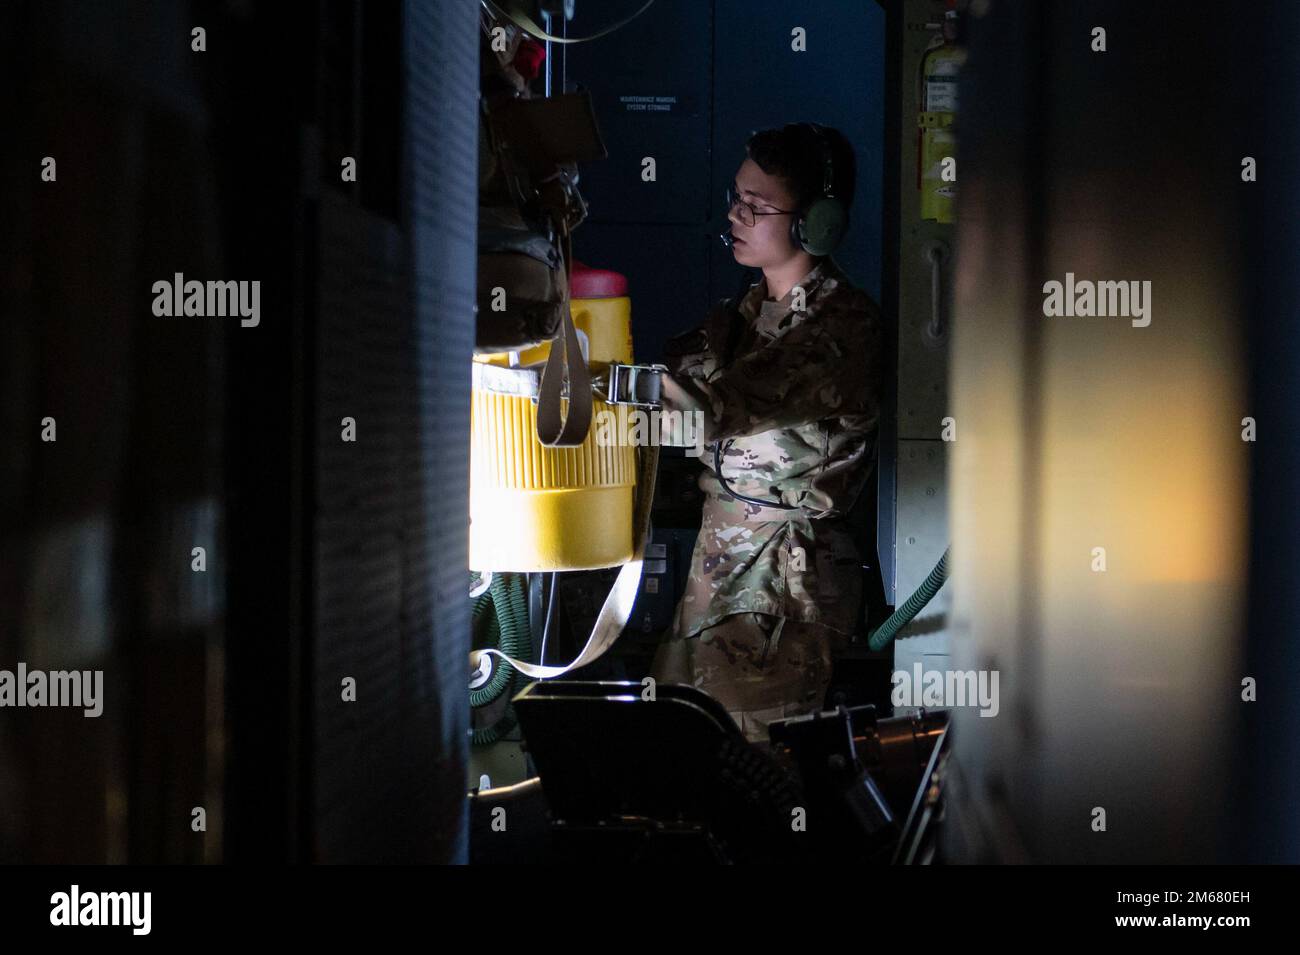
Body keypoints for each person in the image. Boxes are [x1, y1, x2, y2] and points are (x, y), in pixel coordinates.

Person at [650, 122, 883, 745]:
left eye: (757, 206)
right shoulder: (743, 317)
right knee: (681, 760)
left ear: (817, 223)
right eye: (735, 197)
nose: (736, 214)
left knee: (754, 775)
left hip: (780, 589)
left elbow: (717, 406)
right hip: (715, 580)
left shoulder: (842, 329)